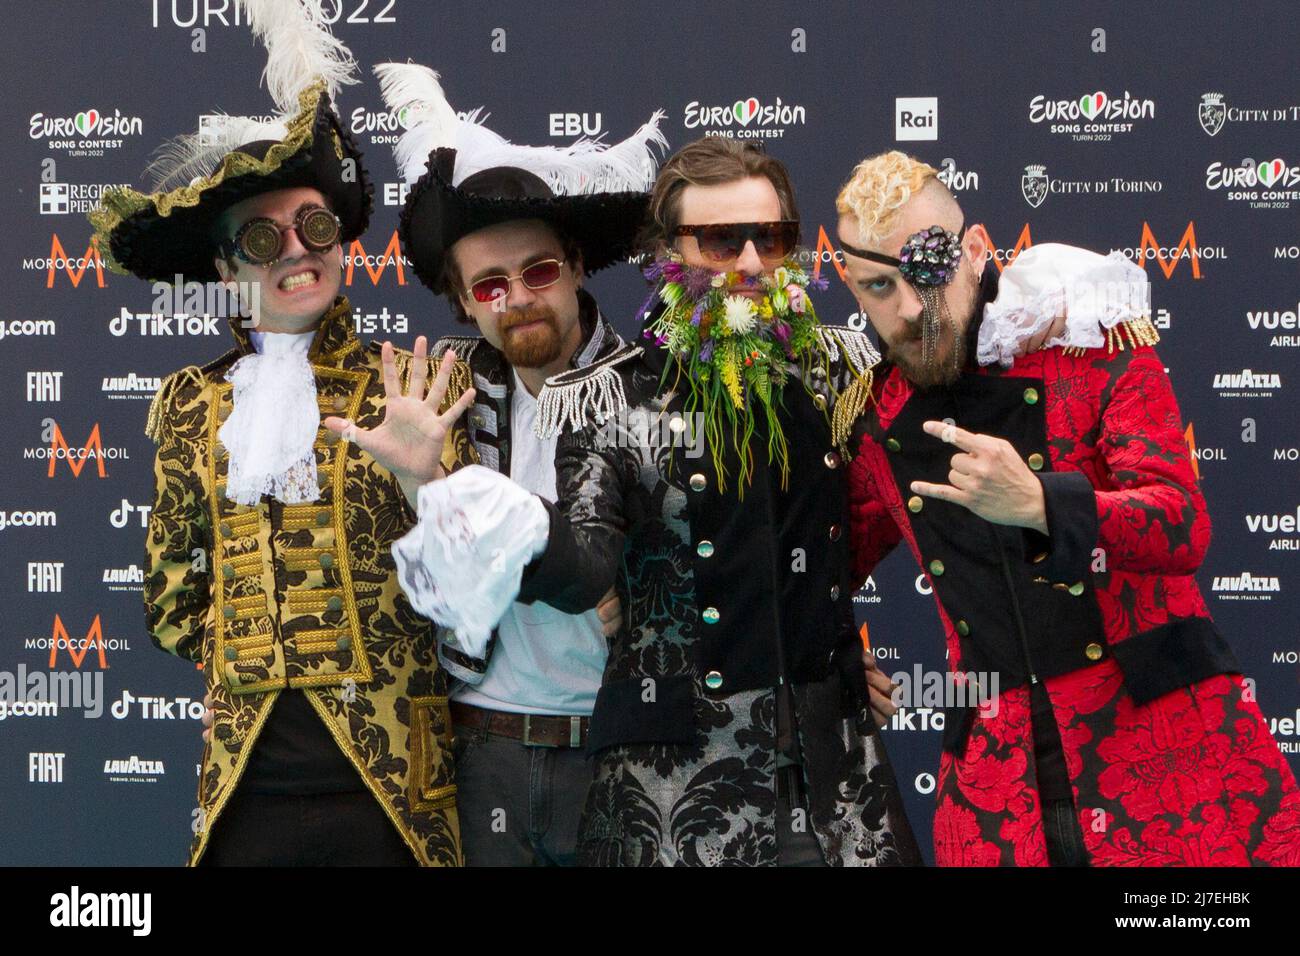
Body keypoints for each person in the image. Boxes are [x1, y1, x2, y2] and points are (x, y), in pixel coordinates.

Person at [397, 136, 922, 866]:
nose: (747, 264)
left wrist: (1018, 303)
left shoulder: (846, 371)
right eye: (718, 239)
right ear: (669, 255)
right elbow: (584, 565)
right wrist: (514, 523)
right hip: (678, 795)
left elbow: (897, 497)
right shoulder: (610, 395)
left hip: (836, 788)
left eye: (769, 238)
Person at [836, 149, 1300, 866]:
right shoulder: (874, 414)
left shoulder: (1083, 333)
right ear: (847, 282)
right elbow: (823, 563)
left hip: (1166, 758)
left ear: (975, 251)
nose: (906, 309)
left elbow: (1180, 521)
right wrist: (833, 662)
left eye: (925, 275)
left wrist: (1042, 504)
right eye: (877, 286)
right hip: (998, 786)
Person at [89, 0, 467, 866]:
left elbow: (469, 602)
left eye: (317, 226)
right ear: (225, 269)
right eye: (263, 237)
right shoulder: (190, 404)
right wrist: (249, 647)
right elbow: (171, 602)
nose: (297, 251)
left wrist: (428, 488)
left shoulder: (410, 381)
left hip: (393, 789)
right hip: (245, 793)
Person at [325, 62, 661, 864]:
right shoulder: (438, 391)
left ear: (577, 267)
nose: (520, 297)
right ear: (466, 302)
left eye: (539, 271)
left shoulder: (658, 389)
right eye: (491, 284)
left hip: (619, 752)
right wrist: (419, 481)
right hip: (480, 758)